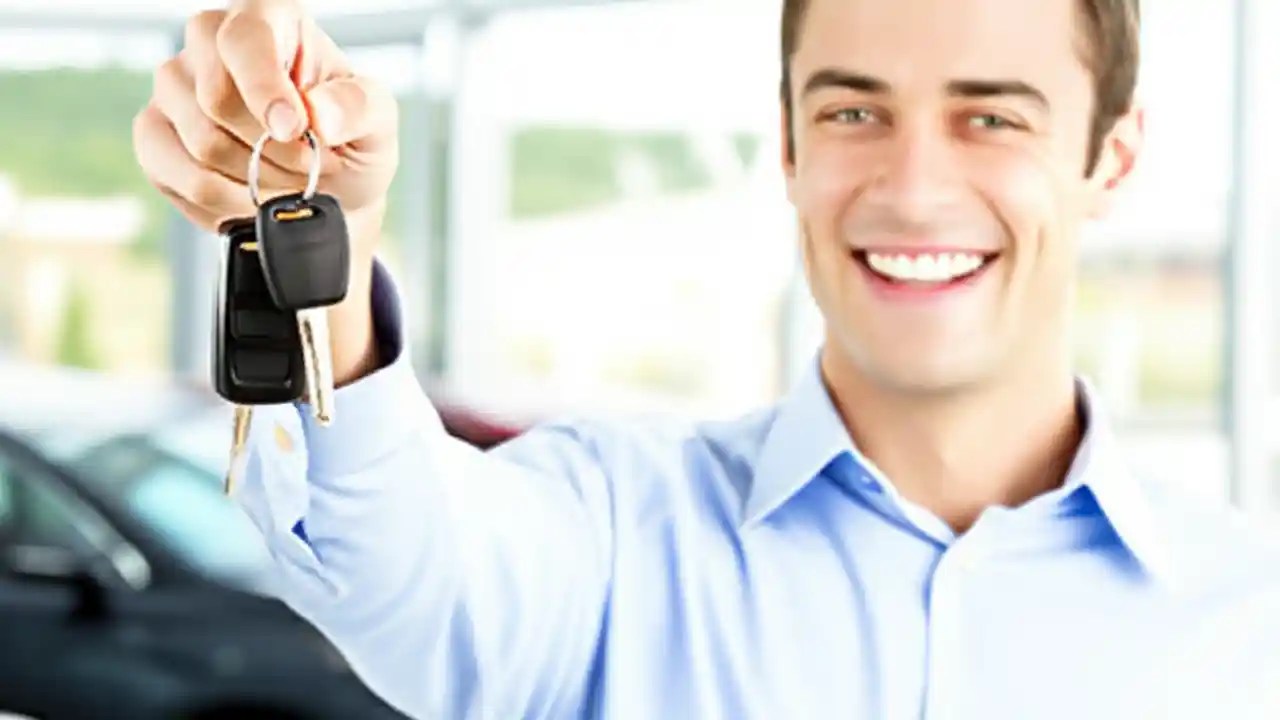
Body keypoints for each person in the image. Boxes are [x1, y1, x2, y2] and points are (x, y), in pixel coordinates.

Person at [133, 0, 1280, 717]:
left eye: (991, 118)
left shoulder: (1250, 628)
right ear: (784, 144)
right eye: (851, 114)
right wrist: (323, 258)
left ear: (1109, 160)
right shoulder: (611, 538)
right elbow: (395, 562)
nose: (914, 187)